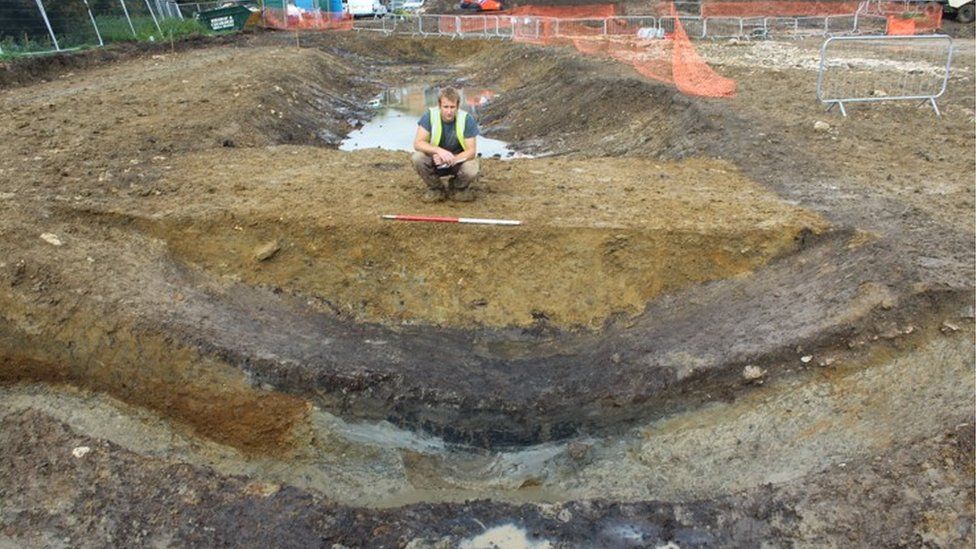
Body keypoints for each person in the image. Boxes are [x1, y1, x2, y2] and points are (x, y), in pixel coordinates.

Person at [412, 87, 480, 203]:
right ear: (439, 105)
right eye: (446, 107)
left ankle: (457, 187)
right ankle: (436, 188)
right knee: (417, 158)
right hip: (435, 160)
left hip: (457, 162)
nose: (449, 111)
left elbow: (471, 151)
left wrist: (450, 159)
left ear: (458, 106)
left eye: (452, 107)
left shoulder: (467, 119)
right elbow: (418, 143)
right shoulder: (429, 116)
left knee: (472, 167)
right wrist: (438, 151)